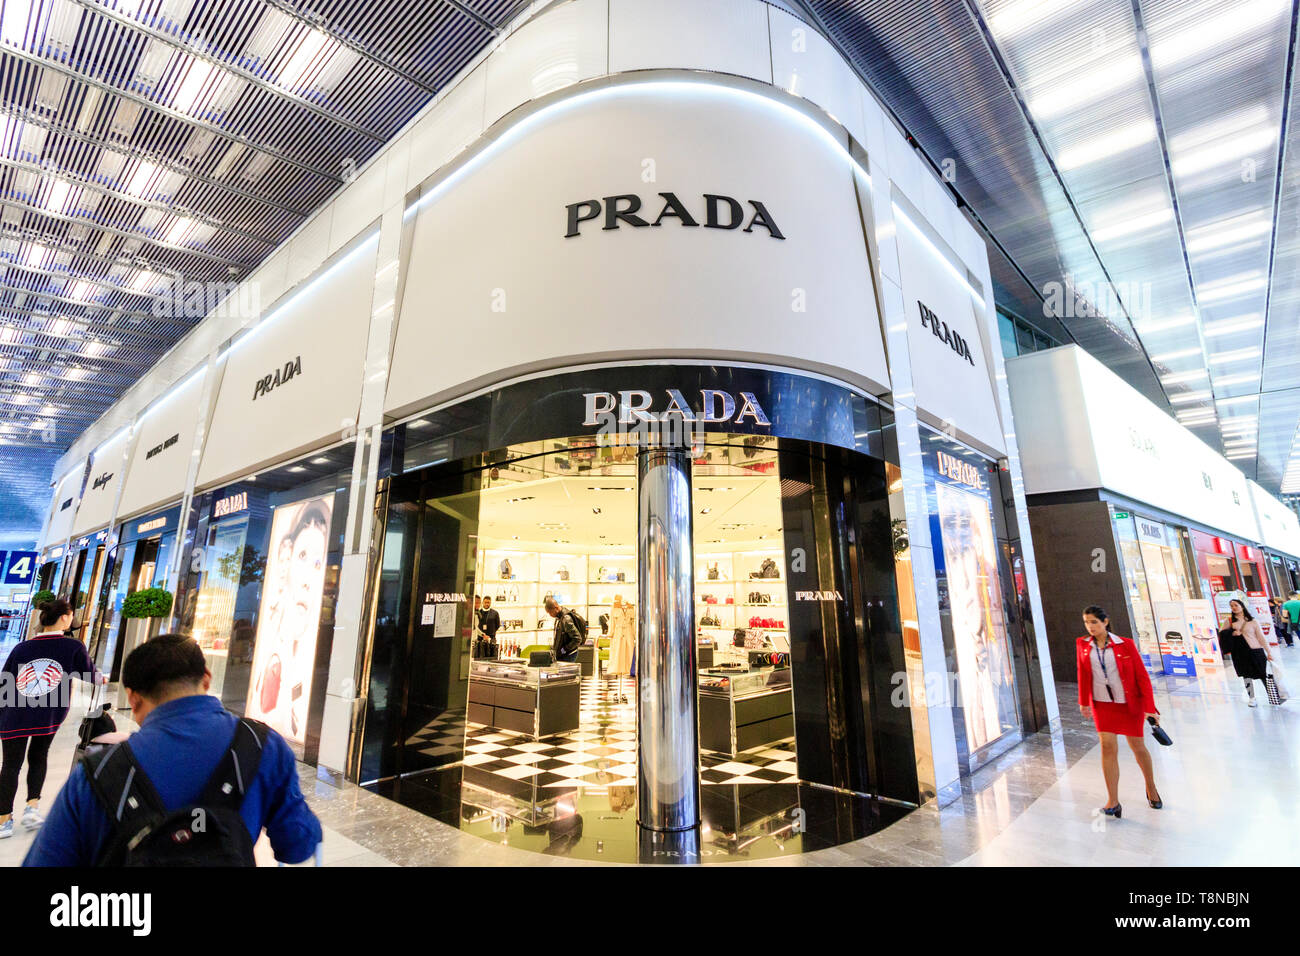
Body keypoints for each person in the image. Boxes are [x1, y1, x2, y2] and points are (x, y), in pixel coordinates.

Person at [24, 633, 321, 866]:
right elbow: (296, 846)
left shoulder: (96, 774)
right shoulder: (264, 745)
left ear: (133, 698)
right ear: (207, 678)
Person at [0, 598, 106, 839]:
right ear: (64, 617)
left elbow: (5, 681)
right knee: (39, 757)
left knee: (10, 765)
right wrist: (103, 678)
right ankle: (32, 808)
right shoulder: (72, 646)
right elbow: (90, 675)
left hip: (15, 714)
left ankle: (4, 820)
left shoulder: (22, 648)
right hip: (46, 714)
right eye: (71, 615)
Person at [1076, 605, 1163, 818]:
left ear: (1105, 622)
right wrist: (1083, 701)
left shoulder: (1125, 644)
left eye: (1094, 622)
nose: (1090, 627)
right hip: (1102, 704)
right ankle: (1113, 801)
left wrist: (1149, 708)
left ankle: (1151, 787)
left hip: (1128, 704)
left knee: (1138, 747)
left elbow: (1142, 677)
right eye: (1087, 622)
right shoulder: (1083, 645)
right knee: (1107, 747)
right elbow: (1083, 673)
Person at [1226, 598, 1272, 707]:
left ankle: (1272, 695)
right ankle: (1252, 698)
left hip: (1256, 651)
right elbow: (1223, 635)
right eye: (1231, 606)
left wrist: (1269, 652)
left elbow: (1261, 637)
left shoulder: (1253, 621)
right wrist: (1231, 633)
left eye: (1236, 605)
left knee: (1263, 674)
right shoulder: (1230, 621)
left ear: (1242, 606)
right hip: (1240, 653)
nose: (1234, 607)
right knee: (1246, 676)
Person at [544, 596, 582, 663]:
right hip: (565, 654)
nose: (550, 615)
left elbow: (577, 639)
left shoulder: (566, 619)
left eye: (550, 612)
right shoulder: (560, 617)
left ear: (556, 608)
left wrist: (563, 650)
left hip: (568, 655)